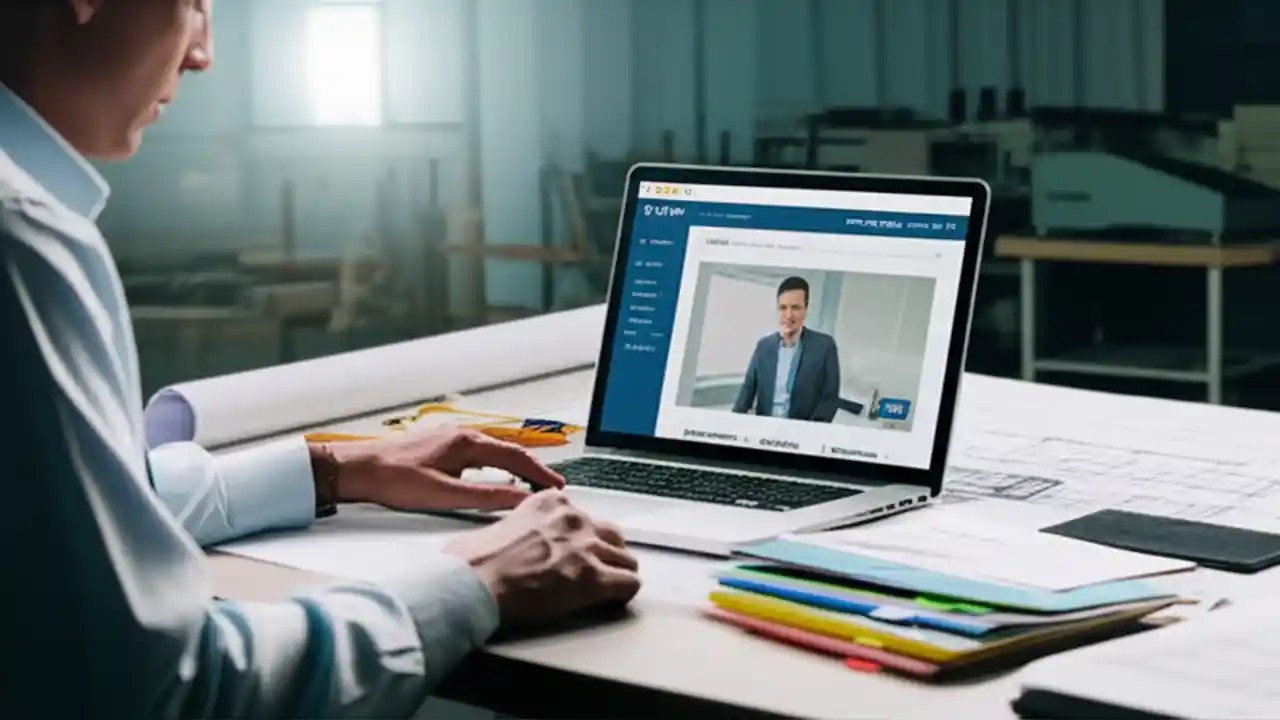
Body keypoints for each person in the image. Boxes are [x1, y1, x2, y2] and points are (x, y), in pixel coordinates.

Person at [0, 1, 639, 717]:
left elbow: (50, 522)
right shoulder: (20, 239)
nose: (202, 52)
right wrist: (478, 578)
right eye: (195, 3)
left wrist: (338, 468)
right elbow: (170, 693)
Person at [732, 276, 841, 422]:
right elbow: (747, 389)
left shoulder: (825, 346)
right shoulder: (764, 346)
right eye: (783, 308)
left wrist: (811, 432)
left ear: (806, 308)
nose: (788, 315)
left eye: (795, 307)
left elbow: (829, 398)